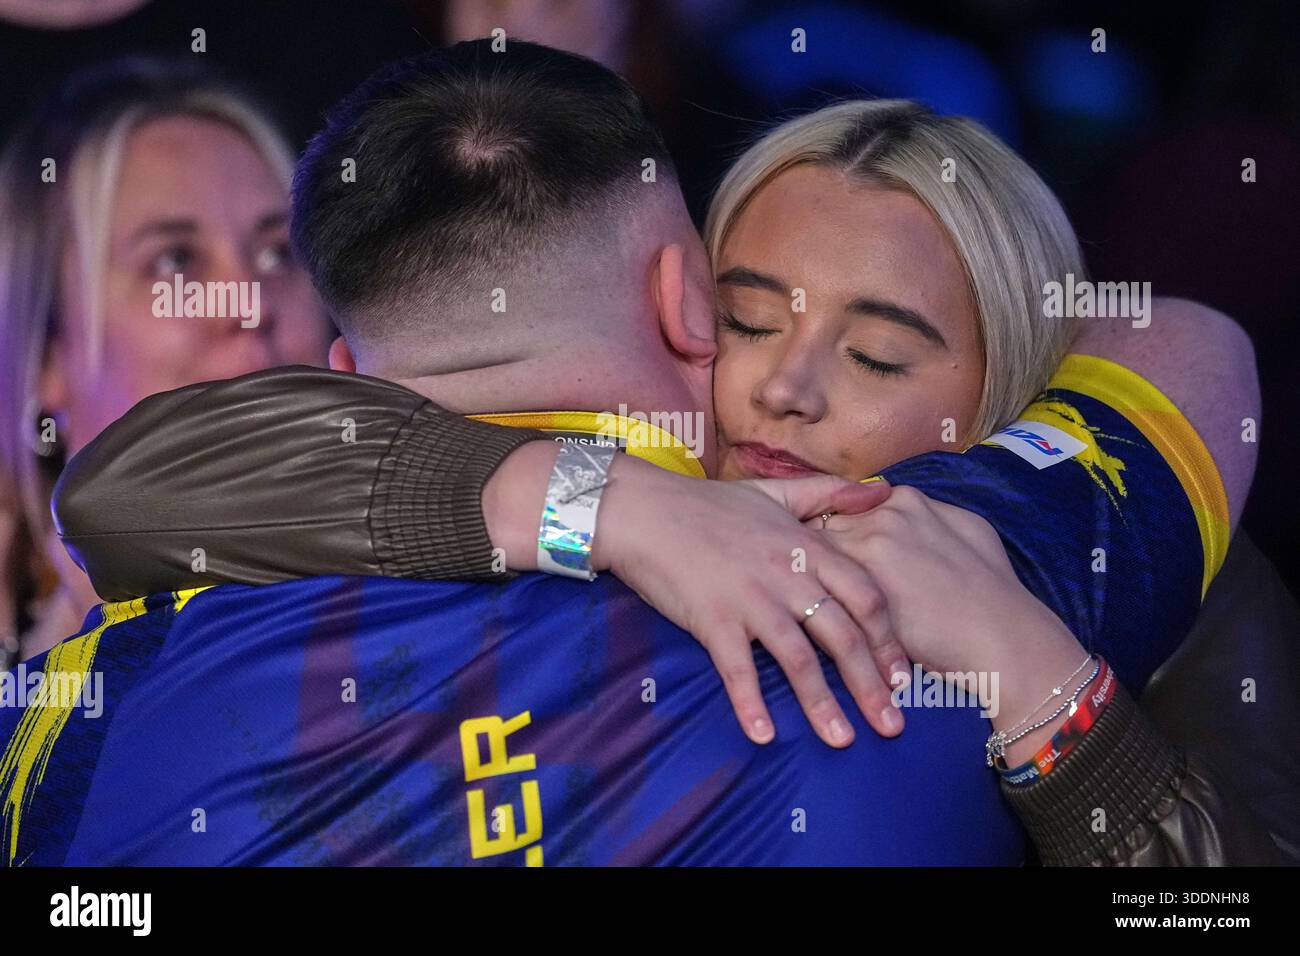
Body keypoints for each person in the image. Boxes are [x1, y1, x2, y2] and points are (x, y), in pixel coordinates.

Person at [12, 42, 1278, 864]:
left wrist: (1039, 678)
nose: (781, 387)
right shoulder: (180, 596)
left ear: (1009, 400)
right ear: (683, 308)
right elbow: (125, 484)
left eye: (880, 358)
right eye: (744, 319)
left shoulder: (968, 587)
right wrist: (599, 499)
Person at [0, 57, 331, 669]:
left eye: (278, 252)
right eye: (175, 262)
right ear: (48, 356)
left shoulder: (449, 531)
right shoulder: (21, 696)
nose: (250, 303)